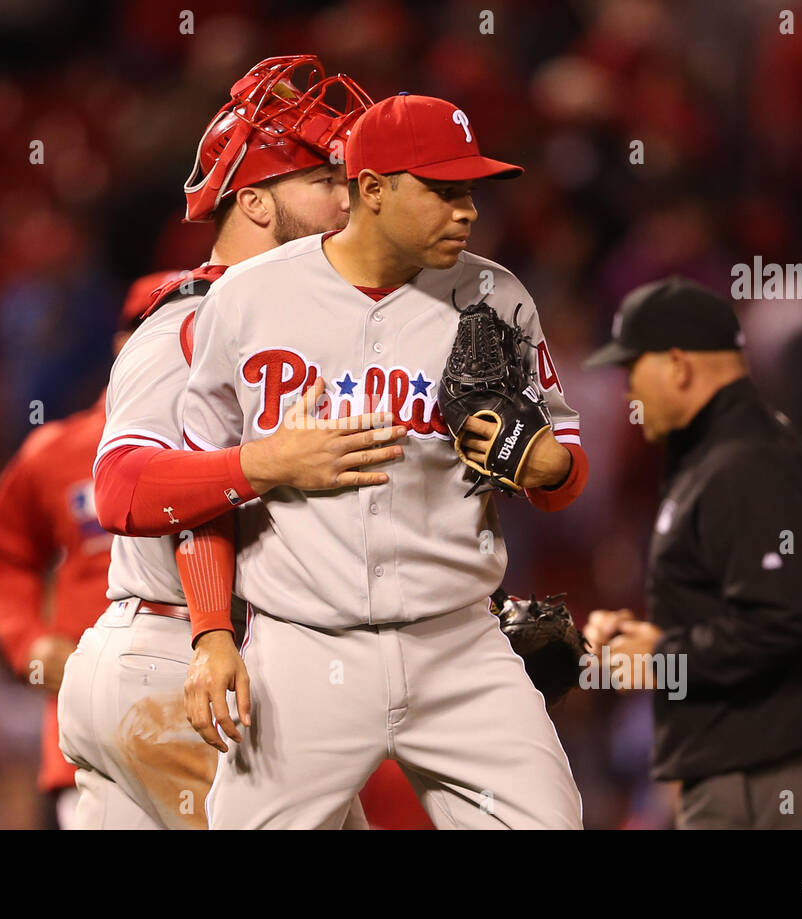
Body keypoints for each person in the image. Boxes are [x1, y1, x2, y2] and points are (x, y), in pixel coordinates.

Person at [179, 93, 590, 829]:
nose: (466, 211)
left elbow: (566, 469)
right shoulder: (249, 299)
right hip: (303, 649)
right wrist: (211, 632)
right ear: (371, 189)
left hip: (458, 642)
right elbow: (200, 482)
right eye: (442, 191)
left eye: (471, 192)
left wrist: (543, 466)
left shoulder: (498, 296)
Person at [56, 55, 405, 829]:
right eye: (324, 180)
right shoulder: (195, 319)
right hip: (182, 660)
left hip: (157, 663)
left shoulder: (282, 325)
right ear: (252, 201)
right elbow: (124, 487)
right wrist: (264, 462)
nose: (347, 201)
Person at [582, 275, 802, 829]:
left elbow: (787, 616)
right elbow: (735, 611)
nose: (626, 390)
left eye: (632, 369)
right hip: (755, 762)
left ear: (678, 365)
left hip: (777, 766)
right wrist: (645, 641)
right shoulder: (719, 455)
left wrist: (663, 656)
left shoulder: (747, 462)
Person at [0, 269, 181, 829]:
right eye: (164, 324)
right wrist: (30, 644)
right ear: (124, 343)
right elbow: (0, 554)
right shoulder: (57, 452)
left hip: (212, 713)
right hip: (93, 728)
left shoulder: (241, 441)